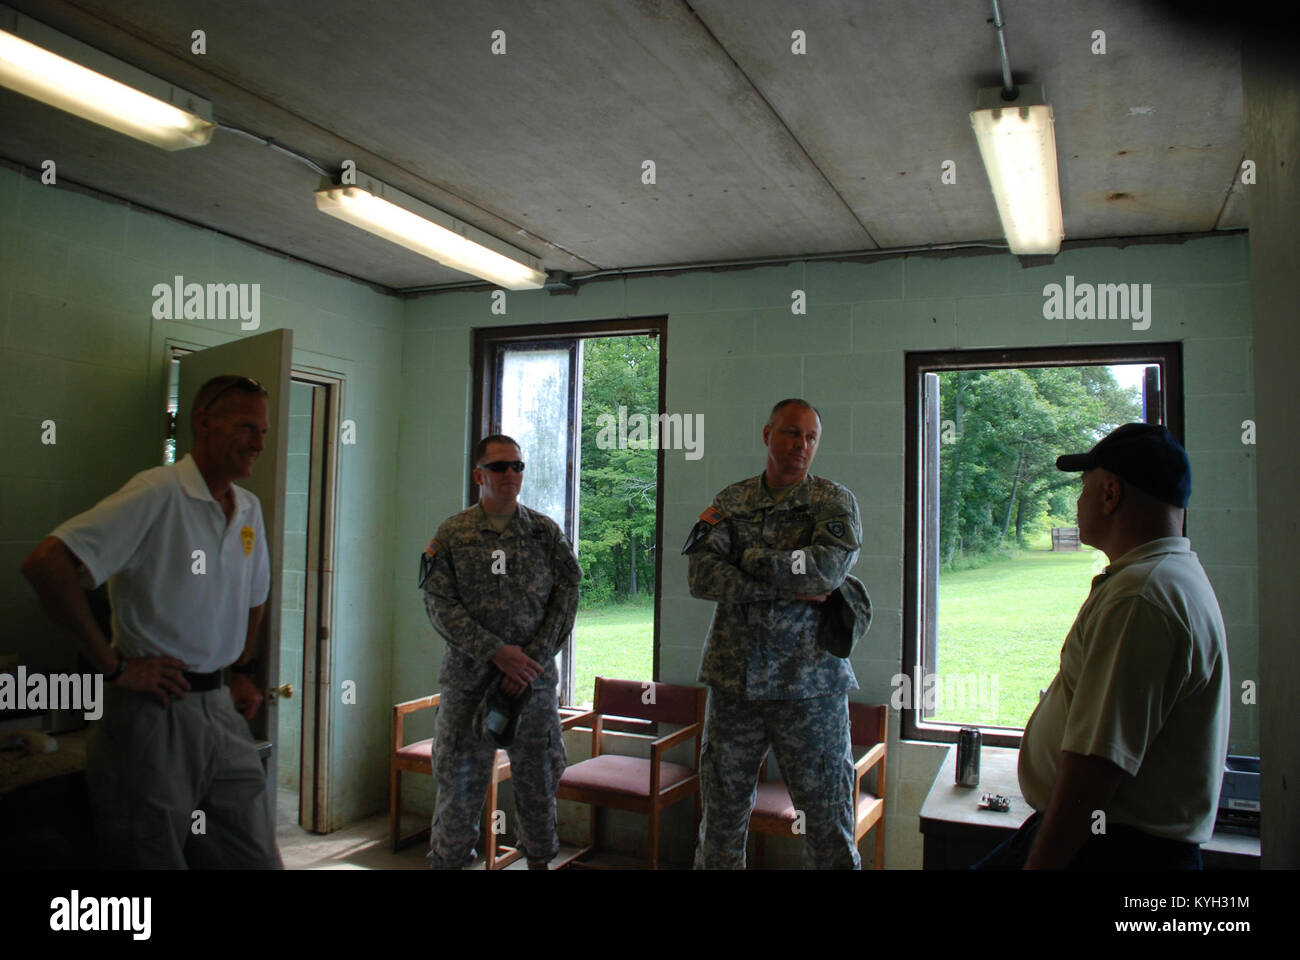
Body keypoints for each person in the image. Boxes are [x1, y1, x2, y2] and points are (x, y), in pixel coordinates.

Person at [21, 374, 282, 868]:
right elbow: (45, 565)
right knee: (148, 856)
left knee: (253, 856)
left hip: (219, 707)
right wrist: (115, 668)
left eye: (264, 432)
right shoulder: (157, 493)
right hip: (153, 709)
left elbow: (255, 595)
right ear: (203, 421)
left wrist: (244, 670)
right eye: (248, 427)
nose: (259, 443)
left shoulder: (247, 508)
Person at [976, 422, 1230, 869]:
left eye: (1084, 487)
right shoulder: (1171, 576)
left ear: (1111, 494)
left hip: (1110, 850)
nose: (1077, 502)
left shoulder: (1141, 597)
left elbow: (1093, 770)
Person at [685, 399, 864, 869]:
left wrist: (747, 559)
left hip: (810, 687)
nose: (800, 445)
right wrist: (787, 584)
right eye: (790, 433)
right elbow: (700, 576)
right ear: (768, 435)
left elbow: (824, 573)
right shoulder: (731, 502)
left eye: (810, 437)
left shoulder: (832, 501)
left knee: (828, 824)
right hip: (735, 685)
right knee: (721, 823)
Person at [421, 434, 581, 870]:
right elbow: (439, 604)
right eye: (499, 467)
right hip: (469, 686)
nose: (511, 474)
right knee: (458, 789)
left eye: (517, 466)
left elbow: (568, 594)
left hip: (533, 686)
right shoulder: (453, 534)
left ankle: (540, 863)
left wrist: (530, 661)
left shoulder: (545, 533)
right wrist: (495, 652)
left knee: (539, 787)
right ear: (479, 475)